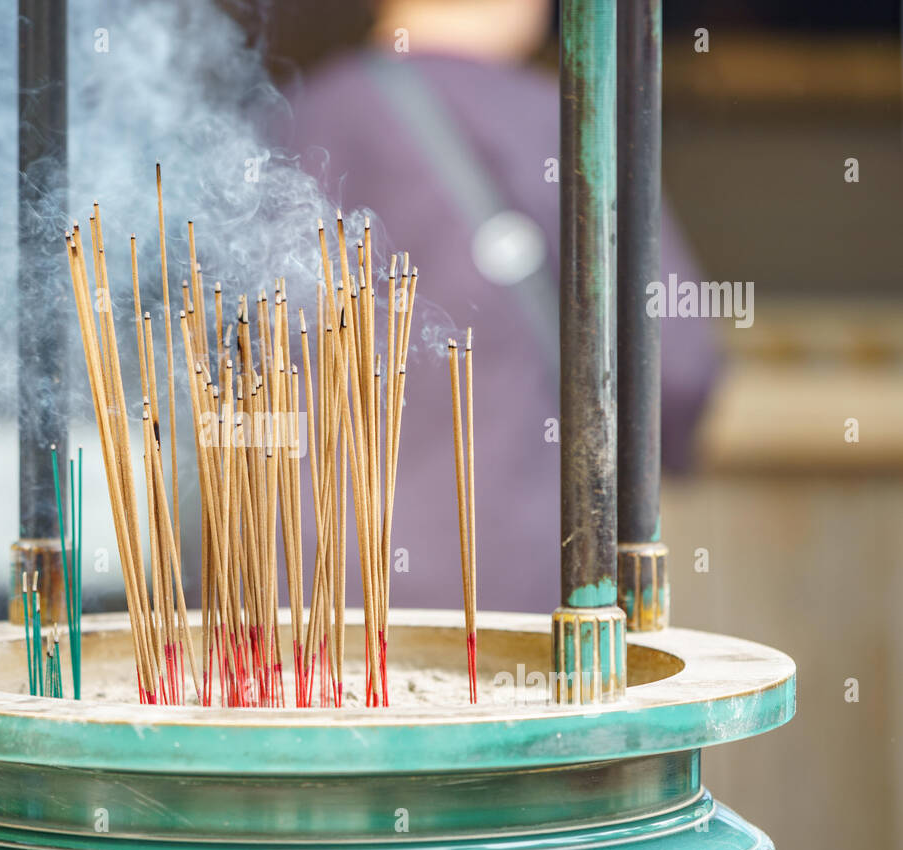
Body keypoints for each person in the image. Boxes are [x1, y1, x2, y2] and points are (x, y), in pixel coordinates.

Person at [280, 0, 718, 612]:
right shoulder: (564, 122)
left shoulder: (299, 118)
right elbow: (676, 370)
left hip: (302, 597)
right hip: (509, 585)